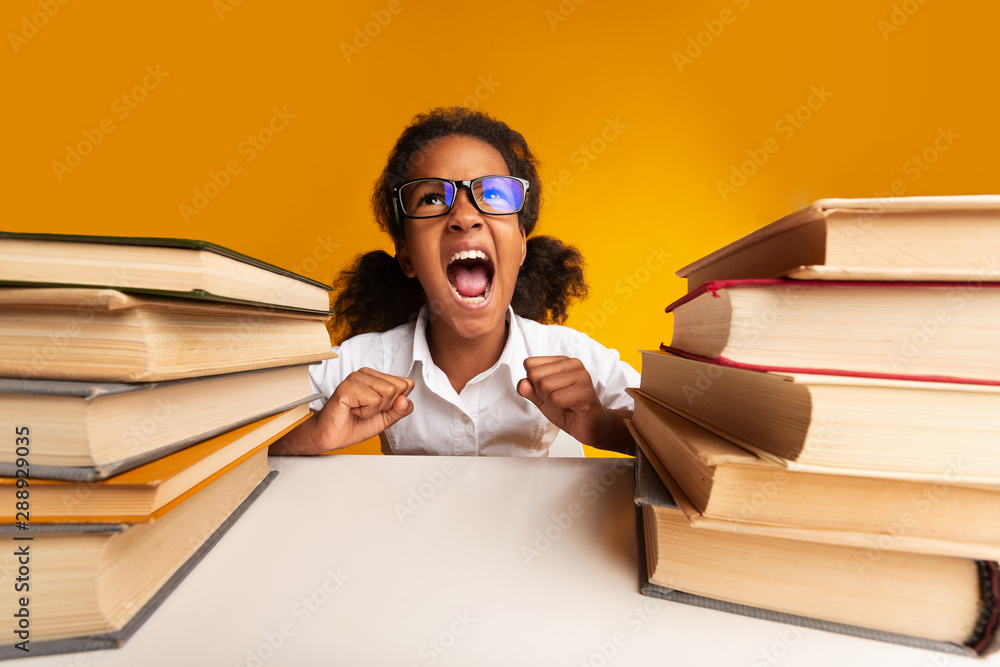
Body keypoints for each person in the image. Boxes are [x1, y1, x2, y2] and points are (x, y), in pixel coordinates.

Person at [270, 107, 639, 457]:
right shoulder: (363, 361)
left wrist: (603, 426)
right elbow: (235, 449)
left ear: (521, 245)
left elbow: (684, 449)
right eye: (431, 197)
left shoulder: (573, 356)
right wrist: (314, 434)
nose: (464, 216)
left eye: (493, 194)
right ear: (407, 254)